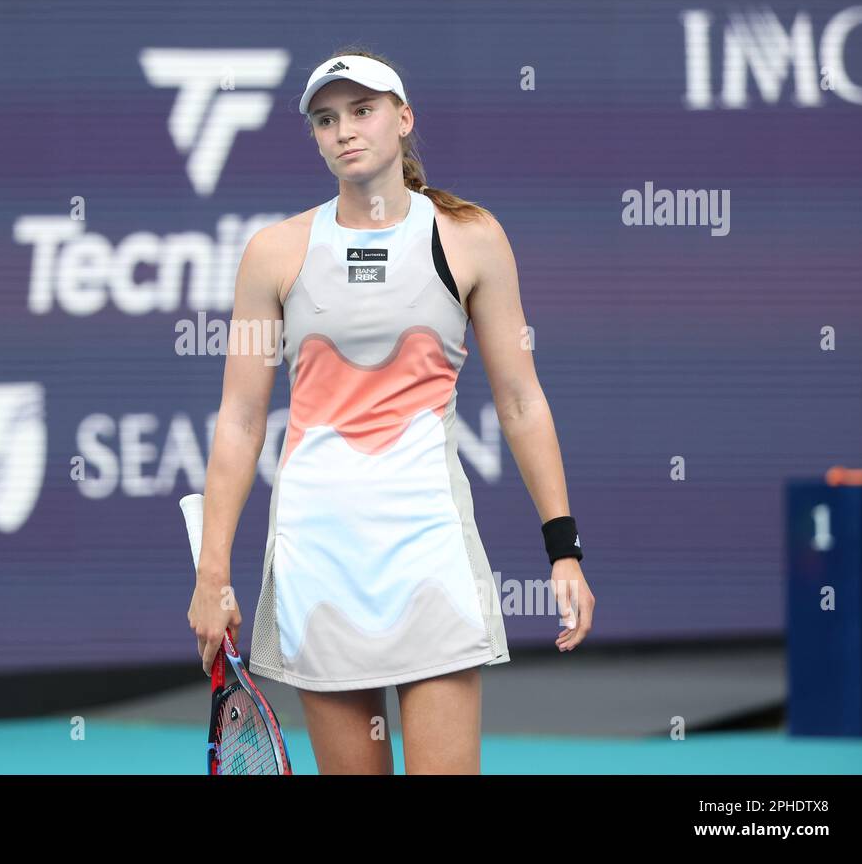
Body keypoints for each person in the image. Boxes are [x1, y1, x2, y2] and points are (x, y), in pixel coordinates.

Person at [188, 49, 594, 774]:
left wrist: (563, 549)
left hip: (428, 552)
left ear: (403, 120)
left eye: (362, 110)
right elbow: (241, 420)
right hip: (319, 561)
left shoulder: (470, 239)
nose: (344, 130)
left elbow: (521, 400)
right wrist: (212, 574)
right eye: (326, 119)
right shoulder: (272, 254)